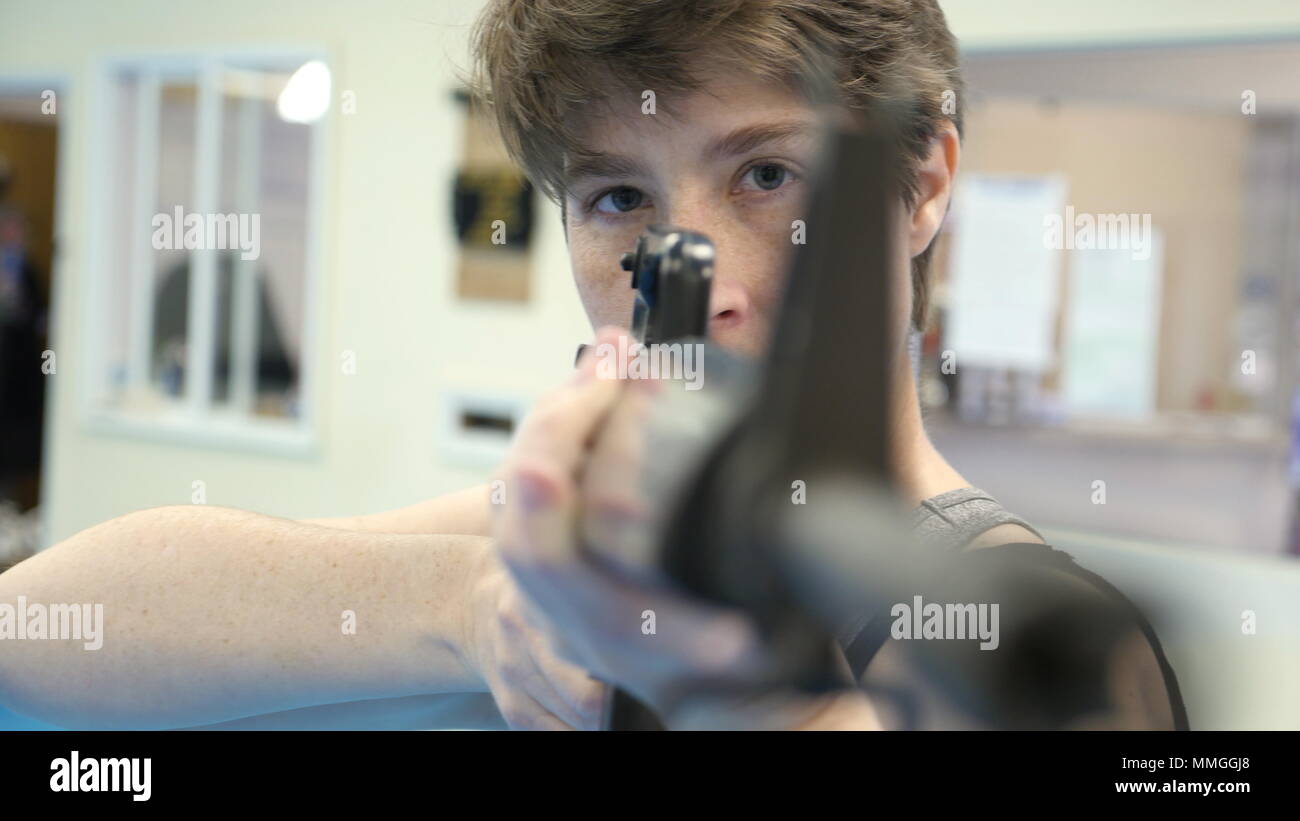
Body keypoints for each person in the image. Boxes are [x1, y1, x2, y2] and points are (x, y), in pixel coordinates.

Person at [0, 0, 1181, 730]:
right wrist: (470, 609)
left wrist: (751, 702)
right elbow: (35, 636)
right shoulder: (577, 552)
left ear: (920, 183)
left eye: (766, 174)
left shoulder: (1028, 625)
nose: (697, 268)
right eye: (619, 196)